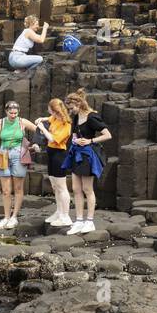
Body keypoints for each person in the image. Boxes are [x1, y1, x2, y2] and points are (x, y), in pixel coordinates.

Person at [63, 91, 111, 235]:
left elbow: (108, 135)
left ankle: (89, 222)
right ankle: (78, 221)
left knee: (87, 189)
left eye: (71, 108)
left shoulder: (92, 117)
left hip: (88, 155)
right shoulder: (77, 116)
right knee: (76, 188)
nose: (70, 112)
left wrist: (90, 141)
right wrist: (75, 140)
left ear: (78, 104)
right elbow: (76, 133)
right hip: (77, 153)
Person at [0, 101, 38, 229]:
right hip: (3, 154)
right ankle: (6, 217)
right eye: (11, 113)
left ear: (18, 112)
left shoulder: (22, 122)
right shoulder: (0, 123)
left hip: (18, 154)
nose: (13, 115)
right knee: (6, 190)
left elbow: (39, 131)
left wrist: (34, 144)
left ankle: (14, 217)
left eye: (15, 113)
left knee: (18, 188)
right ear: (6, 112)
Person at [34, 98, 73, 227]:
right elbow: (49, 118)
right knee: (54, 185)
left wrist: (41, 128)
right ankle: (59, 212)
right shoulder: (54, 118)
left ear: (54, 110)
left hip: (59, 155)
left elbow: (52, 138)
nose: (48, 111)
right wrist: (42, 119)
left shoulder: (66, 124)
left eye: (49, 109)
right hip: (51, 152)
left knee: (61, 186)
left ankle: (66, 216)